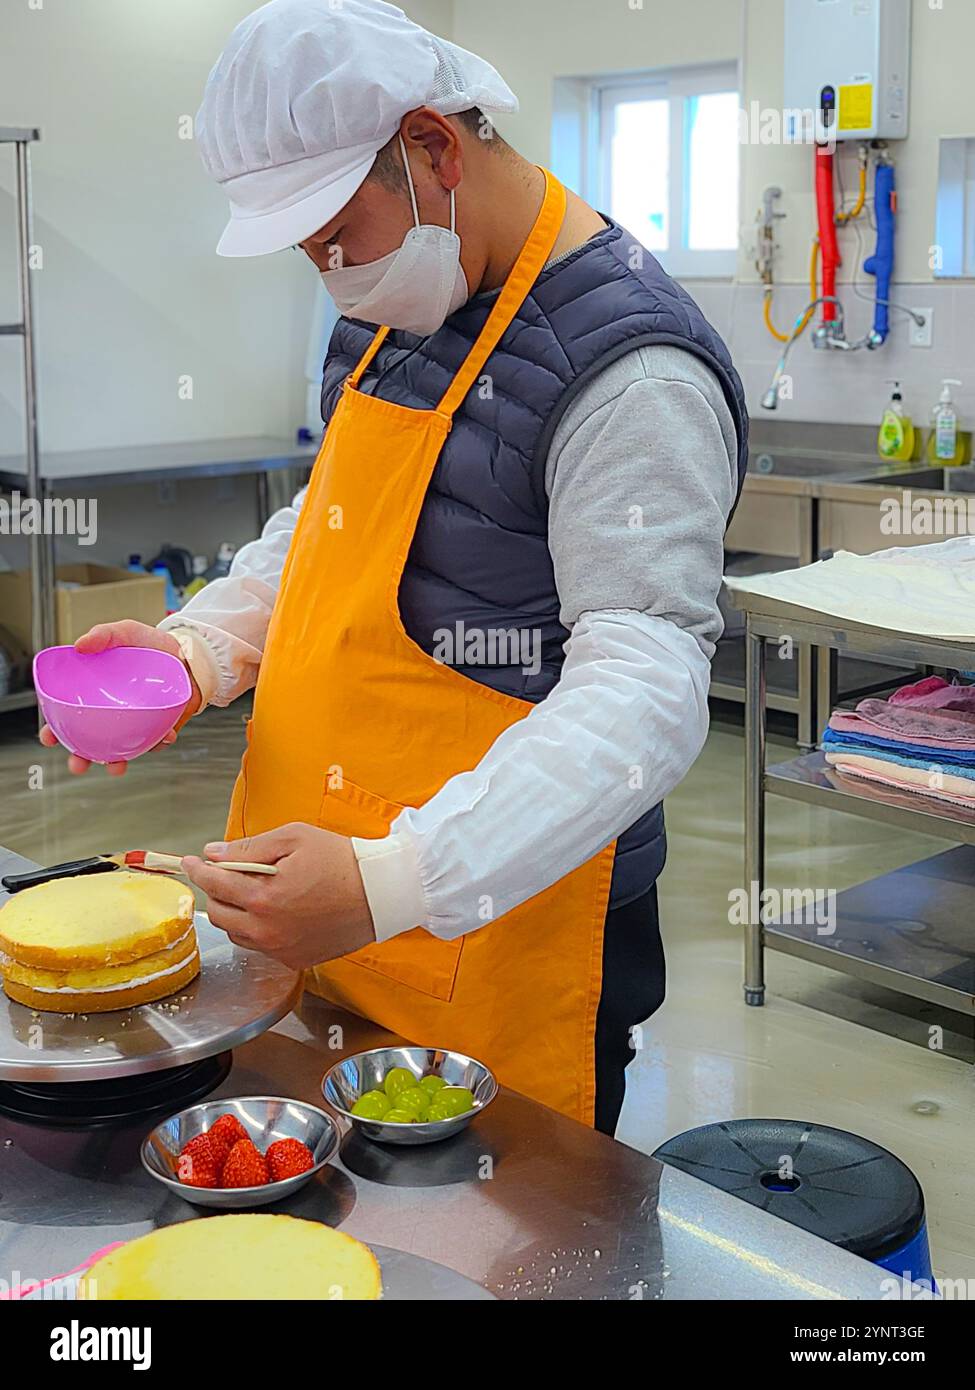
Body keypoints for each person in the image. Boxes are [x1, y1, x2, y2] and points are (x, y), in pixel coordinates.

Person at [43, 0, 748, 1136]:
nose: (332, 275)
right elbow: (327, 528)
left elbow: (646, 693)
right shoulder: (400, 306)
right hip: (325, 903)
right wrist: (197, 648)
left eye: (335, 236)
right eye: (309, 252)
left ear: (433, 148)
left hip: (500, 915)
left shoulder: (634, 380)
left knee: (483, 1228)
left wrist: (392, 881)